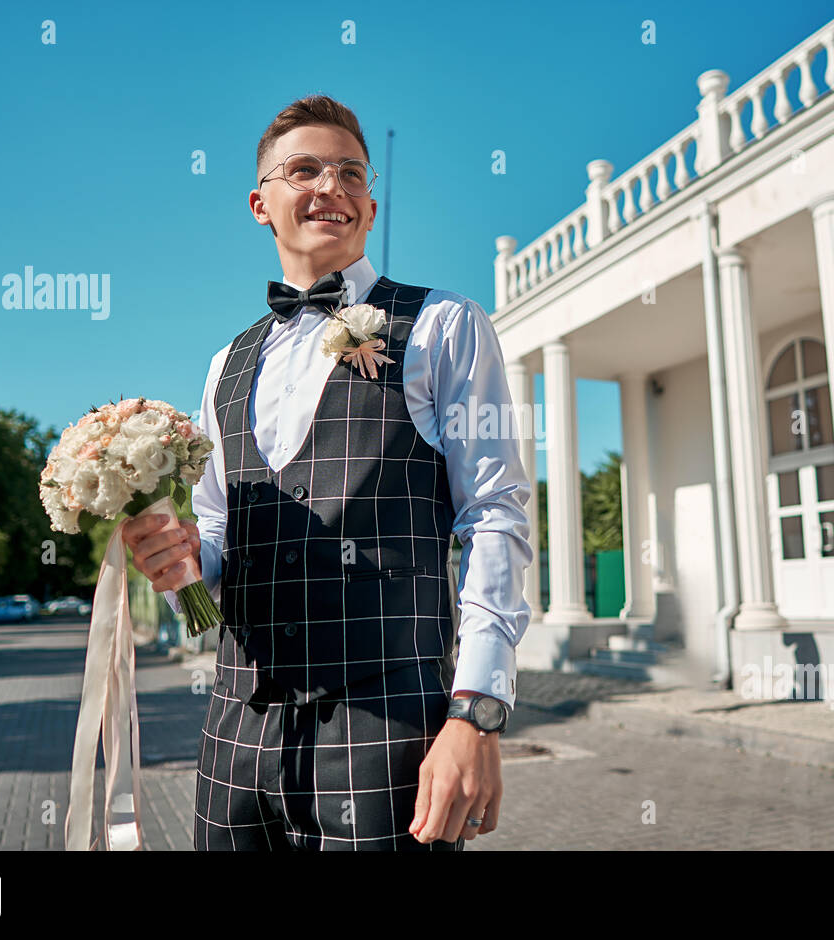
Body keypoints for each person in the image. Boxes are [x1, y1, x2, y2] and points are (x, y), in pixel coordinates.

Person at [122, 94, 533, 851]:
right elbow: (219, 527)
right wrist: (181, 555)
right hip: (235, 730)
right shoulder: (225, 364)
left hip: (388, 725)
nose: (331, 186)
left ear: (369, 206)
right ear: (260, 203)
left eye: (351, 173)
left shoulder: (445, 325)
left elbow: (496, 515)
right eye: (304, 169)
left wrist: (476, 709)